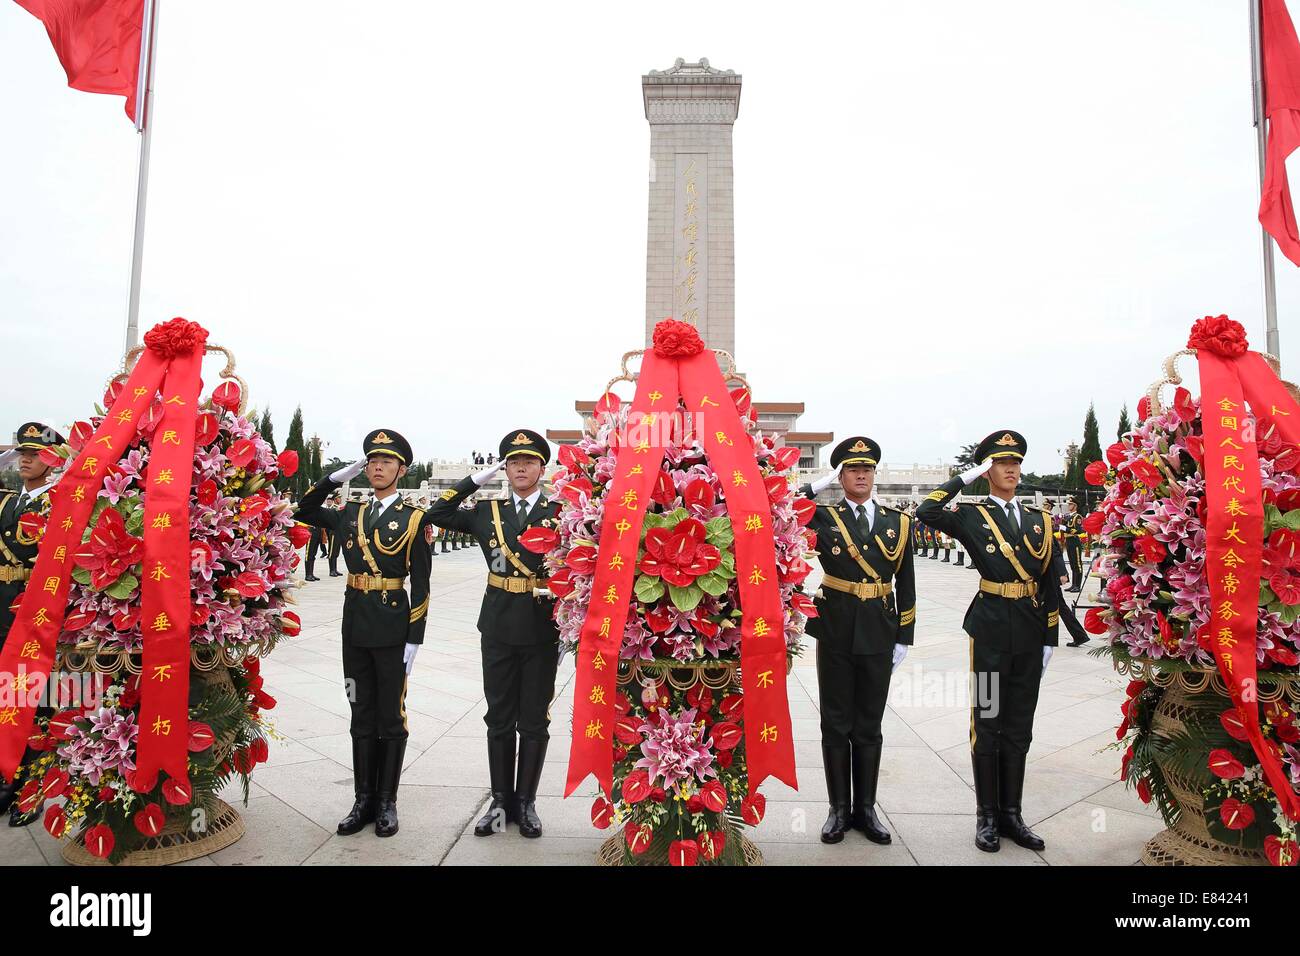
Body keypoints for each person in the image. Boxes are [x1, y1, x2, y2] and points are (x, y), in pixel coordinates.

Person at [917, 429, 1059, 853]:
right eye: (1000, 463)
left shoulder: (1040, 520)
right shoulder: (972, 516)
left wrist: (1051, 634)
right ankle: (987, 817)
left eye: (1015, 462)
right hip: (991, 631)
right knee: (988, 721)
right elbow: (927, 510)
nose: (1011, 468)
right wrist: (964, 478)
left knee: (1020, 726)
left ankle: (1013, 814)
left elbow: (1050, 580)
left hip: (1030, 632)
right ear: (987, 471)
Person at [296, 429, 432, 838]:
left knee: (391, 716)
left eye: (386, 461)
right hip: (354, 625)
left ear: (401, 469)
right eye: (371, 461)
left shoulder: (414, 519)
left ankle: (387, 801)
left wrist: (415, 637)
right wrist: (336, 478)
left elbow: (422, 584)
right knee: (360, 713)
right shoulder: (350, 513)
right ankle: (362, 799)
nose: (377, 467)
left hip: (392, 628)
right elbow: (304, 509)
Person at [428, 429, 560, 839]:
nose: (521, 468)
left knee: (534, 718)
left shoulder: (561, 512)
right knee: (499, 716)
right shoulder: (488, 512)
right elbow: (437, 513)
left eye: (528, 461)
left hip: (541, 625)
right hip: (499, 625)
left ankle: (527, 802)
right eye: (513, 462)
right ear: (505, 468)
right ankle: (501, 800)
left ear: (542, 467)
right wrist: (475, 480)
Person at [800, 437, 915, 845]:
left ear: (874, 473)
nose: (861, 474)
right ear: (841, 476)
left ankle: (866, 810)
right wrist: (817, 484)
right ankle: (838, 810)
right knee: (835, 721)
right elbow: (777, 506)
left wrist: (905, 635)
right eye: (851, 469)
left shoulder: (897, 522)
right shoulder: (822, 516)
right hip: (834, 627)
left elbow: (906, 581)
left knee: (869, 723)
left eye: (866, 468)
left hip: (879, 631)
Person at [0, 422, 64, 825]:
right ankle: (6, 775)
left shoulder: (59, 503)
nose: (26, 459)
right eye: (22, 452)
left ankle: (31, 785)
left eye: (36, 454)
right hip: (2, 610)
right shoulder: (7, 502)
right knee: (6, 694)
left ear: (52, 458)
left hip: (36, 612)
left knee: (37, 698)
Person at [1062, 498, 1085, 593]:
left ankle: (1078, 586)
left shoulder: (1077, 516)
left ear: (1075, 506)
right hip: (1068, 541)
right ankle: (1073, 585)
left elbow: (1078, 530)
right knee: (1072, 564)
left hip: (1075, 541)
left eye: (1070, 504)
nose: (1069, 506)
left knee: (1077, 564)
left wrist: (1066, 528)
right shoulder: (1068, 516)